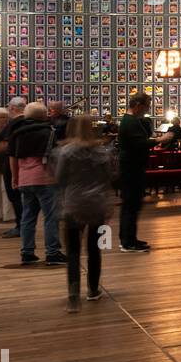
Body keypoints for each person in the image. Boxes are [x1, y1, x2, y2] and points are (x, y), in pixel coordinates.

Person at [53, 116, 117, 312]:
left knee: (72, 252)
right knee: (94, 249)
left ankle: (73, 297)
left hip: (74, 203)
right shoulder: (103, 152)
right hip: (97, 204)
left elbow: (60, 178)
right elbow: (111, 177)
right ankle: (93, 290)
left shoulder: (65, 152)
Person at [10, 101, 67, 266]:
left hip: (25, 179)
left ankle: (27, 252)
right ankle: (52, 253)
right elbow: (52, 157)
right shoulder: (48, 132)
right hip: (45, 179)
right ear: (43, 116)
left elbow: (12, 157)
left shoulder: (17, 133)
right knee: (50, 217)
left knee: (27, 217)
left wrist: (15, 178)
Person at [118, 92, 171, 252]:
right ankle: (128, 242)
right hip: (131, 169)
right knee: (131, 205)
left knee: (132, 205)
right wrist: (160, 140)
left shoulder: (131, 121)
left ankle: (130, 238)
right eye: (147, 106)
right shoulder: (130, 122)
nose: (147, 109)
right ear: (138, 105)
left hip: (132, 167)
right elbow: (140, 143)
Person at [0, 97, 27, 238]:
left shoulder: (15, 124)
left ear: (12, 108)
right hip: (22, 165)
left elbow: (9, 146)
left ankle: (21, 226)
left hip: (12, 166)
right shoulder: (27, 122)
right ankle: (22, 226)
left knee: (16, 197)